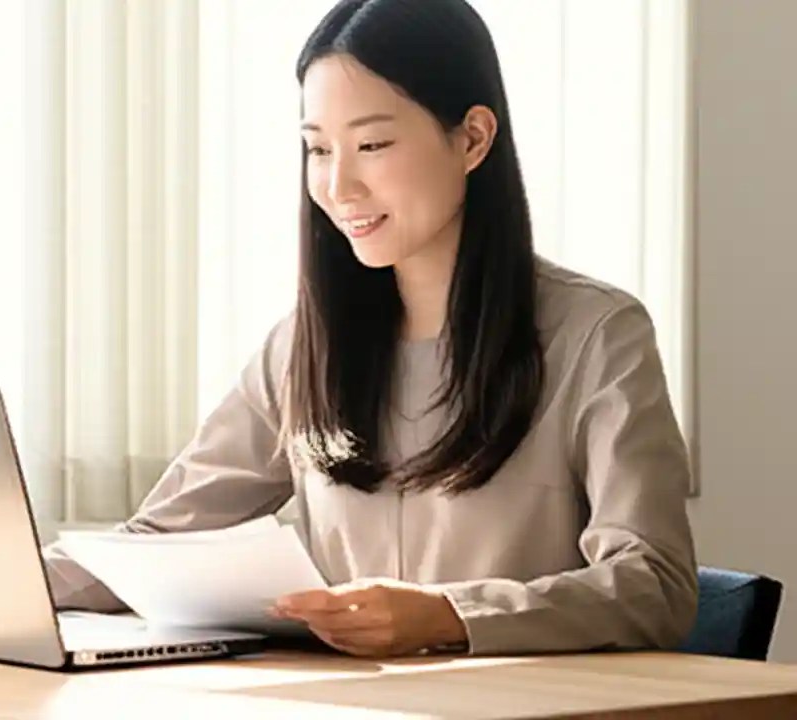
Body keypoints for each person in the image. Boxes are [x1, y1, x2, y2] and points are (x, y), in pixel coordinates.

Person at [42, 0, 697, 658]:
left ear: (473, 138)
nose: (339, 185)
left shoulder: (595, 334)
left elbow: (654, 584)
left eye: (373, 145)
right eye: (318, 149)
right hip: (351, 701)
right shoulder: (303, 347)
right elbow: (156, 542)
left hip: (532, 700)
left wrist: (449, 615)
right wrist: (1, 582)